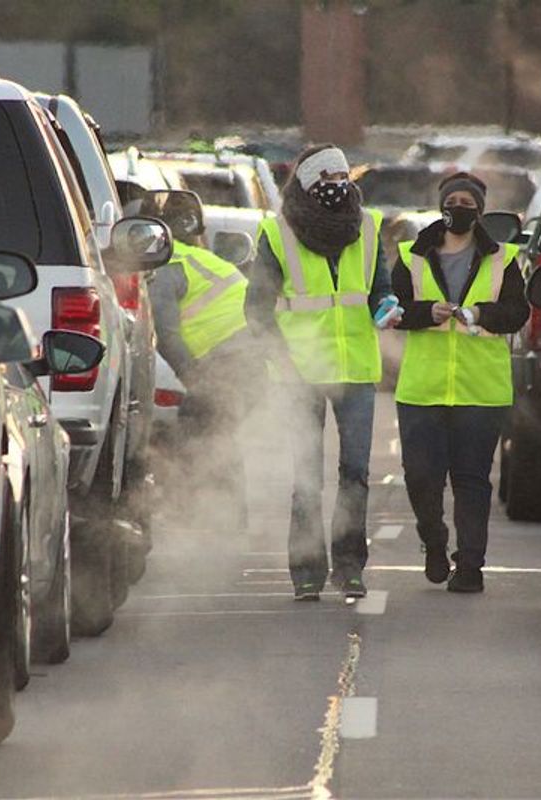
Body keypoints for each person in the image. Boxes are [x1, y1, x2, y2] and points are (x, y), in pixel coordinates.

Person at [245, 144, 394, 601]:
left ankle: (350, 568)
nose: (337, 186)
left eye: (342, 177)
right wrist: (282, 359)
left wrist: (387, 307)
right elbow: (257, 309)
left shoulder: (367, 227)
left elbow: (380, 289)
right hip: (299, 373)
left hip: (355, 370)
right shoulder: (278, 233)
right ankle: (306, 571)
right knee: (306, 476)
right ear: (308, 184)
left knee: (355, 473)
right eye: (327, 179)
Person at [392, 172, 529, 593]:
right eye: (452, 202)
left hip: (480, 389)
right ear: (441, 206)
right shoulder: (412, 255)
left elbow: (517, 313)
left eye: (468, 204)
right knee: (421, 476)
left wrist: (482, 314)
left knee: (471, 480)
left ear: (480, 211)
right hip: (422, 388)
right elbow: (393, 308)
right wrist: (425, 313)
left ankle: (470, 566)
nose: (459, 209)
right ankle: (434, 540)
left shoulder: (502, 259)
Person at [146, 190, 260, 533]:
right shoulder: (199, 258)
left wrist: (191, 375)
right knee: (215, 429)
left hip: (233, 356)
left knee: (202, 429)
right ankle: (224, 519)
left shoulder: (167, 265)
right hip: (251, 356)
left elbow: (166, 332)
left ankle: (208, 519)